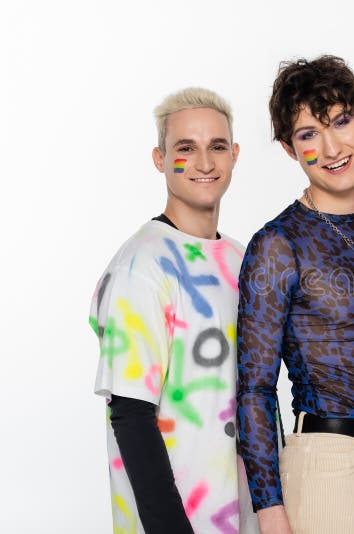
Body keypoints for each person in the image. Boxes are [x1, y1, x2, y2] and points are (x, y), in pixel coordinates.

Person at [236, 55, 354, 534]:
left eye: (341, 121)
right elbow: (254, 388)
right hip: (328, 470)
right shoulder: (279, 243)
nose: (332, 146)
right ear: (289, 149)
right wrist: (269, 508)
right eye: (309, 134)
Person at [89, 87, 258, 533]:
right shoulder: (141, 266)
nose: (204, 163)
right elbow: (130, 414)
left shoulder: (243, 259)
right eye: (186, 148)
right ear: (160, 158)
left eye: (217, 147)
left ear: (234, 155)